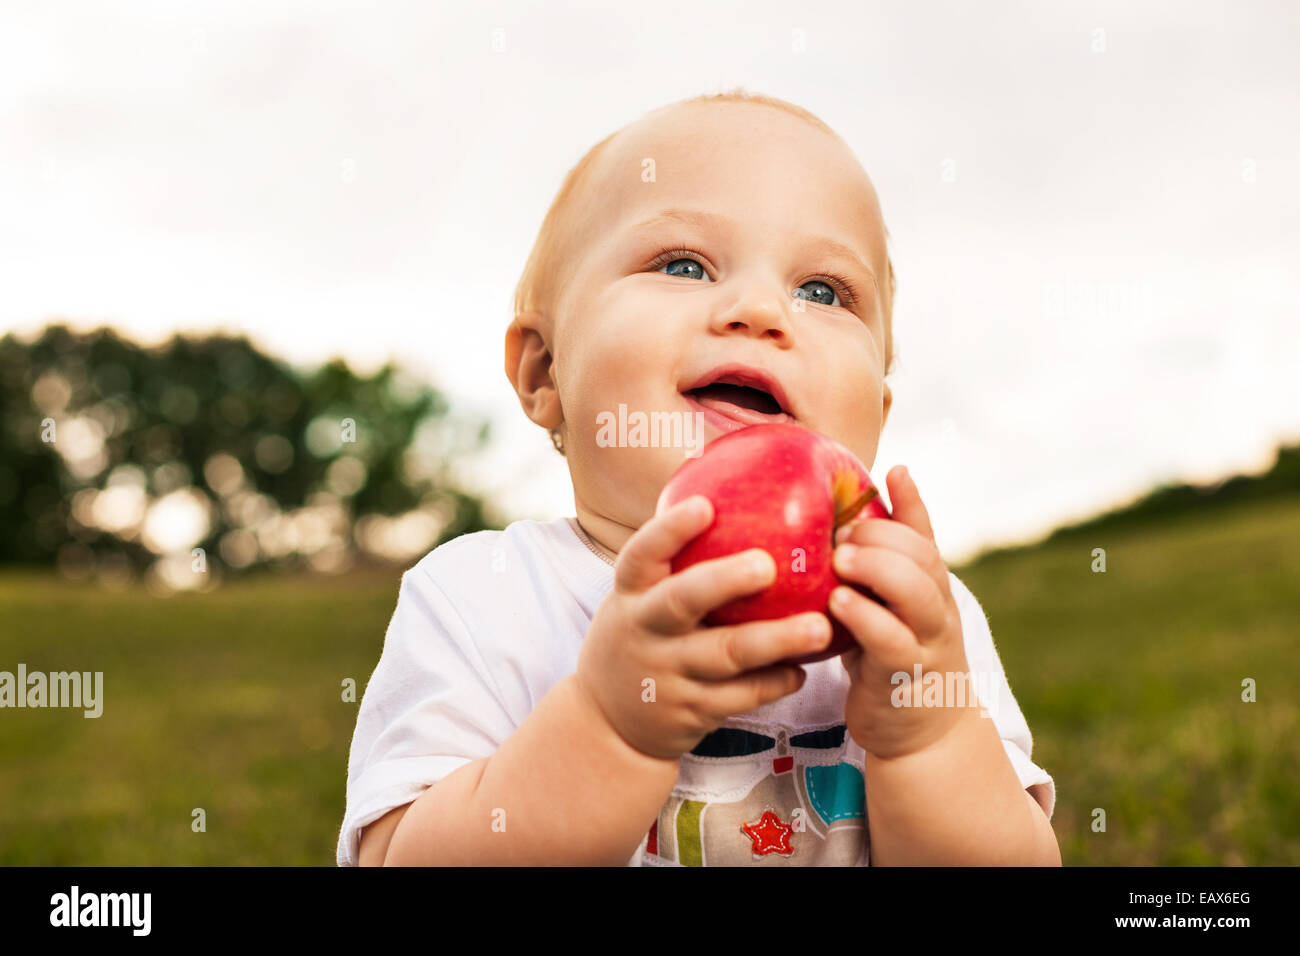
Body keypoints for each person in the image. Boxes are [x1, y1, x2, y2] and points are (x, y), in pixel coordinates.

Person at [338, 89, 1058, 866]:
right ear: (545, 371)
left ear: (877, 413)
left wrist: (931, 736)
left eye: (823, 292)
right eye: (684, 265)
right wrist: (608, 726)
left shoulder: (914, 619)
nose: (758, 309)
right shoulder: (486, 597)